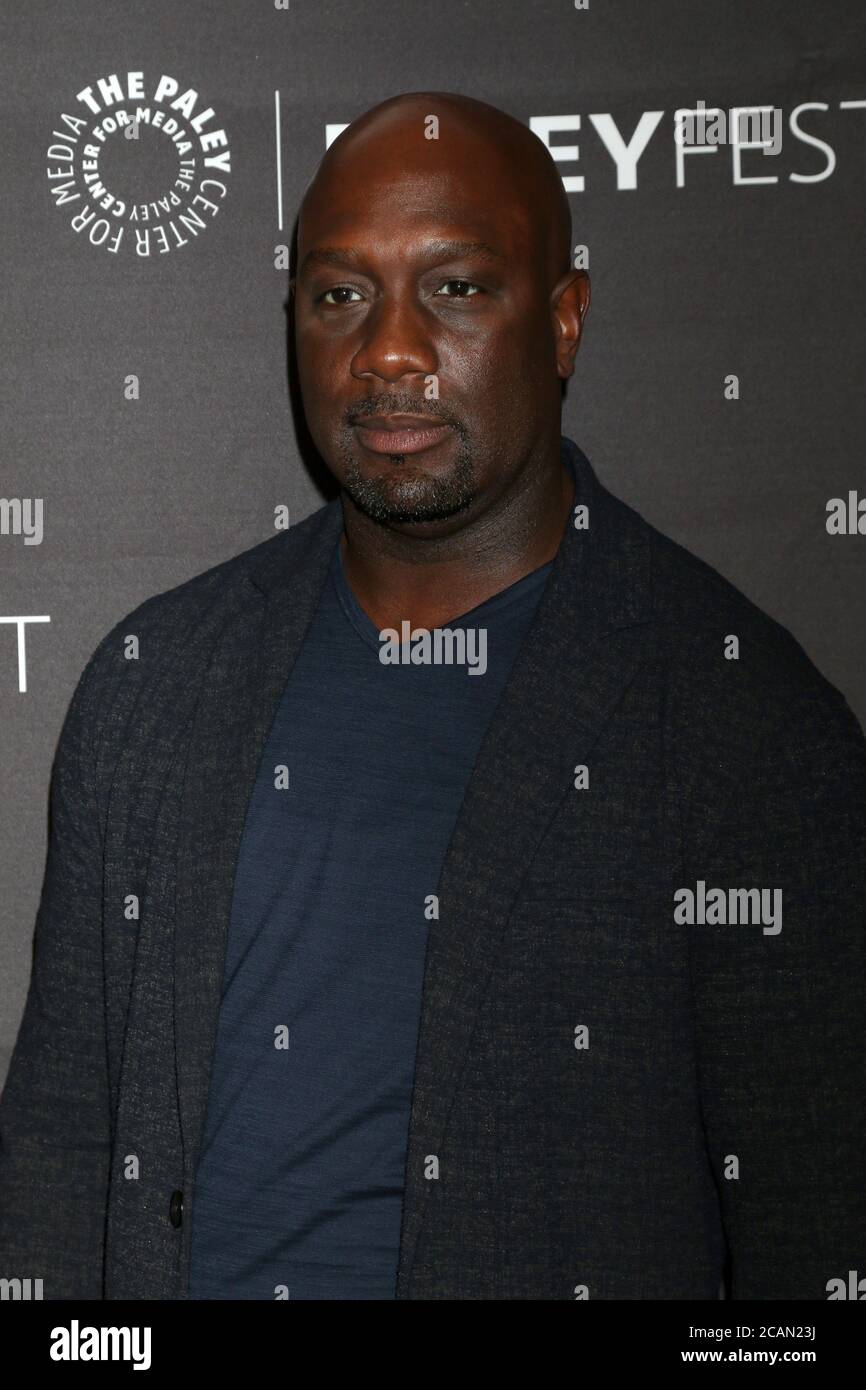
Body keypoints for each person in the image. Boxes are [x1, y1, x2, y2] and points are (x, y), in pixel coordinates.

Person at [0, 90, 863, 1301]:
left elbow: (815, 1232)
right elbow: (60, 1149)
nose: (388, 350)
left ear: (562, 322)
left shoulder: (741, 720)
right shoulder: (157, 681)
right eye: (338, 294)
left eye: (453, 288)